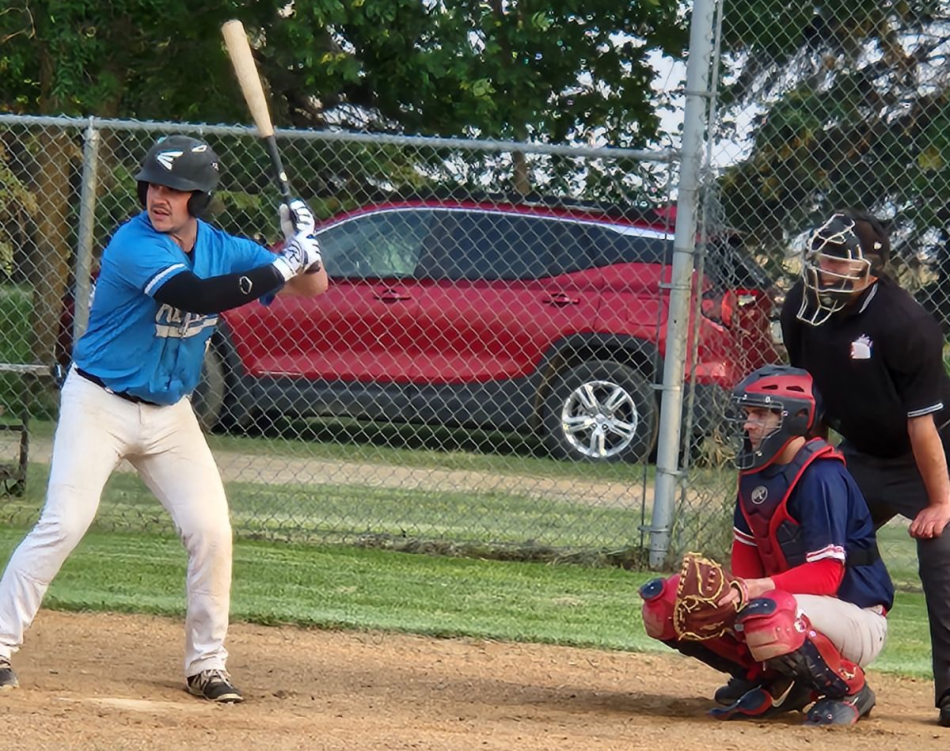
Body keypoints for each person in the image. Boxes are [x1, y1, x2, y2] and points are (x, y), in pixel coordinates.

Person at [0, 134, 328, 703]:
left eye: (176, 190)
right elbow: (198, 297)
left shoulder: (225, 248)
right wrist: (282, 261)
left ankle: (207, 664)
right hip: (99, 402)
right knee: (65, 521)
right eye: (154, 184)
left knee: (211, 531)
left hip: (170, 414)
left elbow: (313, 286)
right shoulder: (134, 244)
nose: (160, 196)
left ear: (197, 199)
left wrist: (306, 245)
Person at [640, 365, 894, 725]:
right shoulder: (754, 475)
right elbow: (746, 570)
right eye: (747, 414)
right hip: (791, 608)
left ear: (795, 418)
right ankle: (770, 677)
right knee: (667, 604)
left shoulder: (822, 475)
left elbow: (826, 577)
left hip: (856, 618)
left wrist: (752, 591)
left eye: (761, 414)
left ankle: (850, 687)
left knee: (765, 611)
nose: (748, 423)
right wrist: (732, 594)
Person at [781, 210, 950, 726]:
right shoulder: (801, 308)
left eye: (838, 259)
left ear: (870, 270)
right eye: (820, 256)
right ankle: (805, 671)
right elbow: (810, 403)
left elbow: (923, 428)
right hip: (861, 454)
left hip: (931, 455)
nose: (823, 268)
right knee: (801, 538)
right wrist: (809, 476)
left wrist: (941, 503)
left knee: (943, 555)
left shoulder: (906, 325)